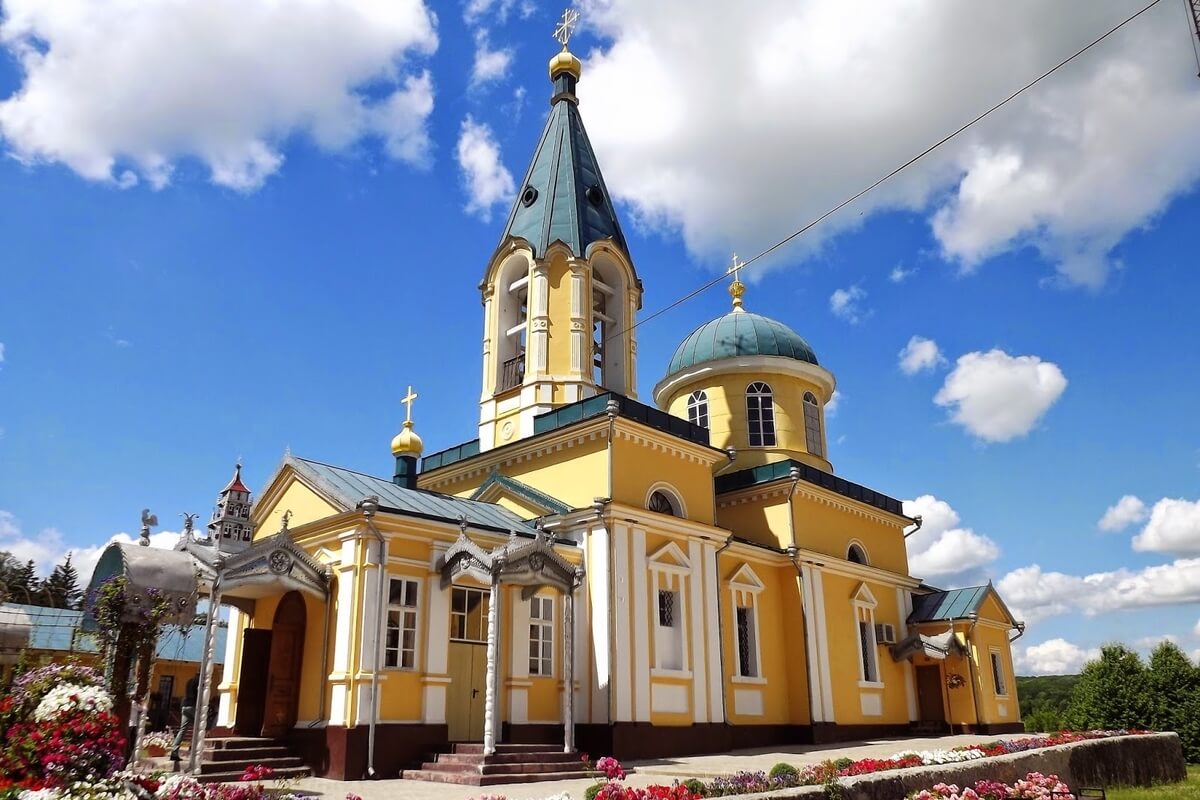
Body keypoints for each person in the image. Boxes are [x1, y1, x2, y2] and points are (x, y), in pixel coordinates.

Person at [170, 675, 199, 761]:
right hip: (193, 706)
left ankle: (174, 751)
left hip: (185, 705)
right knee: (199, 728)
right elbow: (199, 694)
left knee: (183, 729)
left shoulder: (190, 680)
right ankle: (193, 748)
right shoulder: (200, 681)